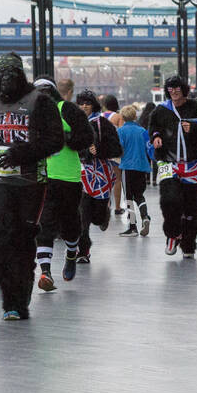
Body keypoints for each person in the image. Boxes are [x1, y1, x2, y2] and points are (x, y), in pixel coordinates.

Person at [0, 54, 65, 320]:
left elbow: (55, 141)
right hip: (2, 182)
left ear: (21, 76)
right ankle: (10, 299)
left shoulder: (40, 102)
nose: (6, 78)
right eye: (2, 74)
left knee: (22, 242)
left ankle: (19, 303)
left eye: (12, 73)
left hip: (32, 182)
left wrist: (22, 153)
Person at [33, 77, 92, 291]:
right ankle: (45, 272)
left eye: (46, 93)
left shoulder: (67, 109)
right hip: (44, 178)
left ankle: (71, 253)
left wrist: (66, 137)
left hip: (69, 177)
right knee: (45, 225)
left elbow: (86, 137)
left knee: (70, 224)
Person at [148, 74, 197, 257]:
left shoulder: (196, 108)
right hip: (167, 162)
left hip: (191, 164)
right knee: (168, 201)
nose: (174, 91)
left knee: (190, 209)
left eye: (177, 88)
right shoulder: (160, 110)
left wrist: (194, 129)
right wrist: (156, 137)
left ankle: (189, 245)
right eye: (170, 88)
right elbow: (152, 128)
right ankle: (172, 234)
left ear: (184, 89)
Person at [74, 90, 122, 263]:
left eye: (87, 102)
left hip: (101, 176)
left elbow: (117, 149)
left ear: (93, 104)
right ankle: (83, 251)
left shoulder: (103, 123)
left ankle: (105, 214)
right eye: (81, 103)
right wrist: (86, 151)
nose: (84, 106)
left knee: (97, 217)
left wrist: (99, 151)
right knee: (82, 215)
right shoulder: (75, 124)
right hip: (81, 175)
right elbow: (71, 147)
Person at [116, 104, 151, 236]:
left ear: (123, 117)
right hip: (142, 167)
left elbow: (119, 148)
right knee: (140, 195)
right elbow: (149, 148)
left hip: (127, 167)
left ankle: (132, 227)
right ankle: (145, 217)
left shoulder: (121, 131)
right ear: (135, 116)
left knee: (129, 198)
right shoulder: (143, 131)